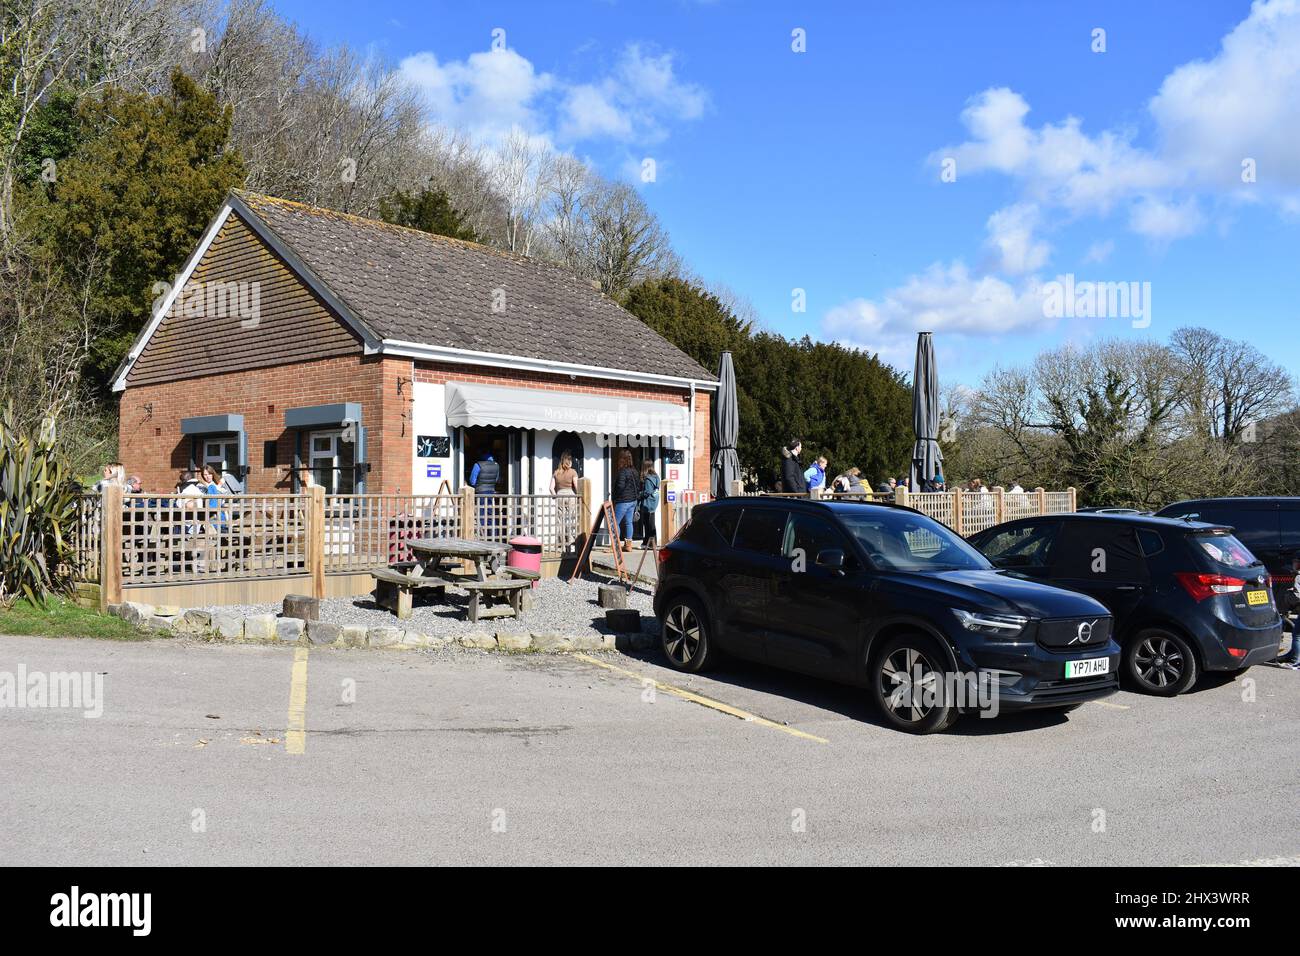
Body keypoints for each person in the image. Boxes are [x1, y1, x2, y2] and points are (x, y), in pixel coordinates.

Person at [612, 450, 640, 552]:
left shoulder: (622, 471)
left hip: (623, 500)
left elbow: (620, 486)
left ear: (622, 459)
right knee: (629, 522)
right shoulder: (635, 471)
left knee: (615, 523)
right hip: (633, 501)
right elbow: (638, 486)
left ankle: (616, 546)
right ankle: (628, 546)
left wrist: (615, 497)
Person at [551, 452, 581, 548]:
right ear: (569, 461)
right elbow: (576, 486)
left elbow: (551, 488)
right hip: (570, 496)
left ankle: (561, 542)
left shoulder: (556, 472)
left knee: (560, 521)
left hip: (559, 496)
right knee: (570, 519)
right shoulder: (573, 472)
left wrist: (556, 496)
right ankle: (571, 541)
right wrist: (579, 495)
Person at [638, 460, 661, 548]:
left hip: (647, 504)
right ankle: (648, 543)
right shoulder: (655, 477)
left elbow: (647, 492)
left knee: (648, 524)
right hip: (653, 503)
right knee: (650, 524)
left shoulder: (648, 479)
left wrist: (639, 494)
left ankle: (650, 544)